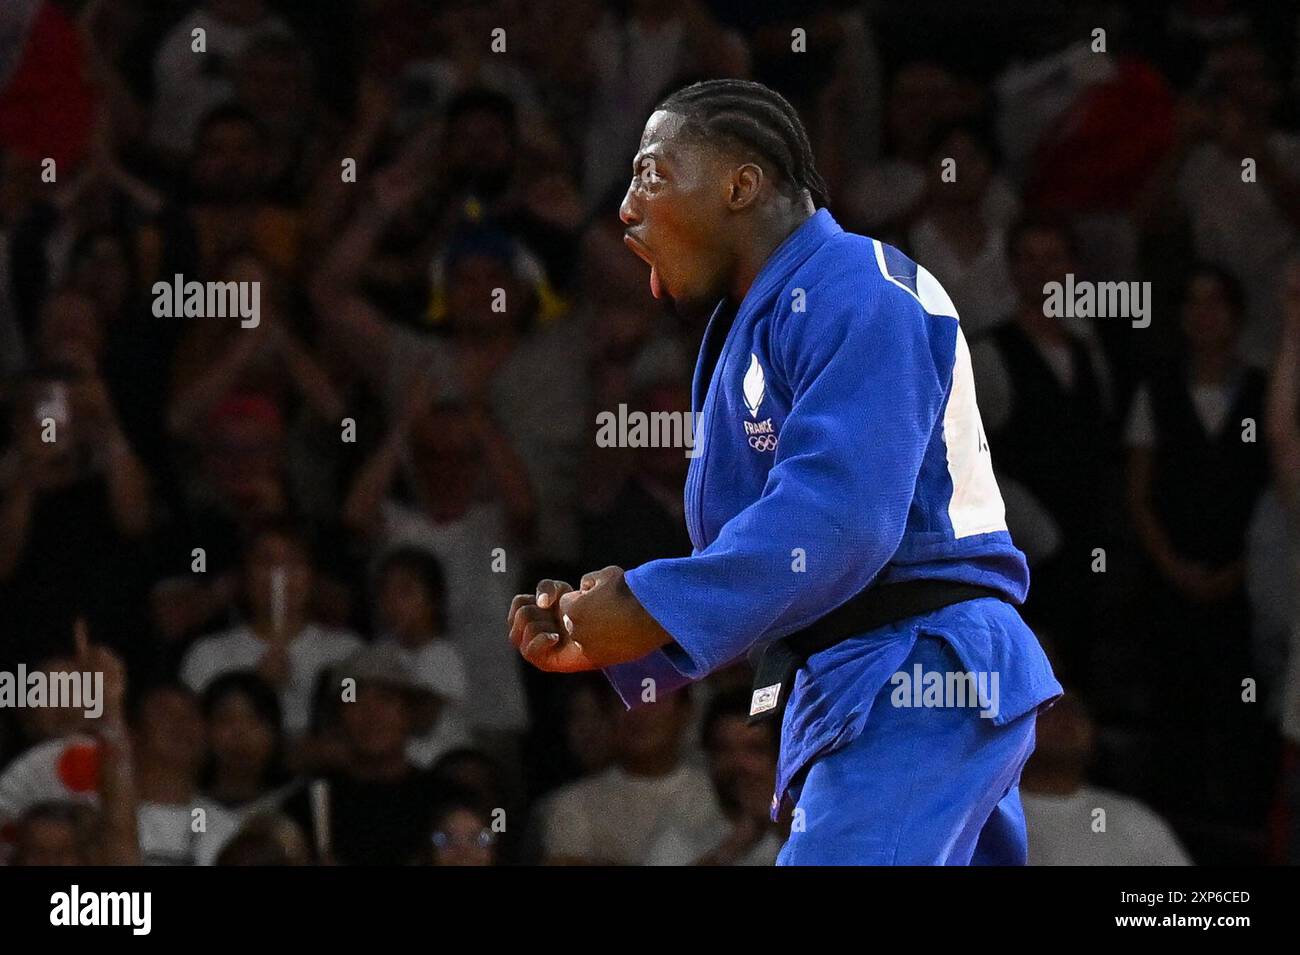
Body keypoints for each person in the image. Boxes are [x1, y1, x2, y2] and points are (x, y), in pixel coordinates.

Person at [508, 78, 1061, 865]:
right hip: (871, 677)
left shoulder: (855, 287)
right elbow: (774, 555)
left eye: (651, 174)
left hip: (917, 671)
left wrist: (651, 605)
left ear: (741, 184)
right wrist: (628, 625)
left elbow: (839, 520)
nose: (626, 209)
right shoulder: (763, 320)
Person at [535, 684, 711, 865]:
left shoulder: (716, 796)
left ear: (686, 710)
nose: (639, 712)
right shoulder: (572, 805)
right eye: (626, 699)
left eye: (654, 698)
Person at [1020, 693, 1191, 866]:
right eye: (1049, 711)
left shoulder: (1134, 821)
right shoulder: (995, 817)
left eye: (1076, 711)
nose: (1064, 718)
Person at [644, 686, 783, 866]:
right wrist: (735, 845)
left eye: (754, 749)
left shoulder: (806, 828)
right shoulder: (679, 839)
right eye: (724, 749)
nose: (738, 763)